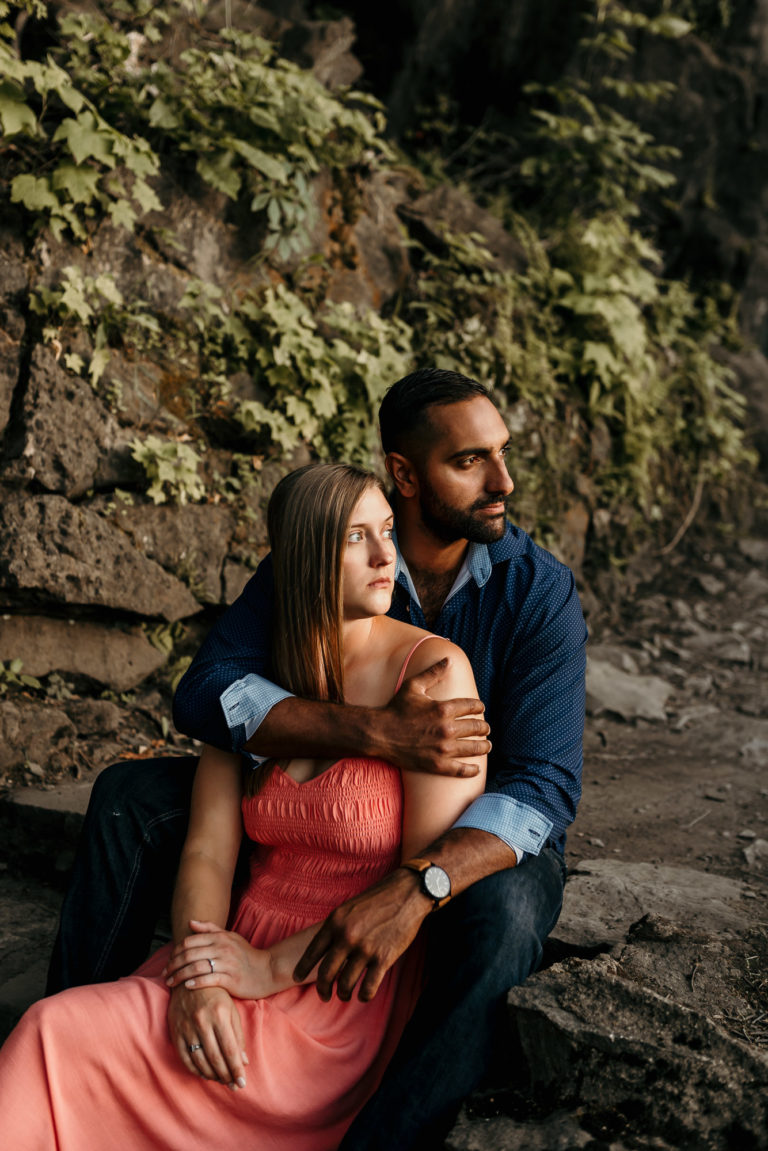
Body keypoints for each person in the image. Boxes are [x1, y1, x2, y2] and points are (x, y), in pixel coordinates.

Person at [47, 368, 587, 1149]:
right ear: (405, 473)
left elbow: (542, 787)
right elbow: (206, 694)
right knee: (131, 794)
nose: (503, 480)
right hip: (322, 799)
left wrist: (419, 882)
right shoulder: (324, 552)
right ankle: (103, 1031)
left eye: (501, 453)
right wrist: (375, 733)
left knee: (503, 916)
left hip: (475, 830)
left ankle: (389, 1132)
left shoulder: (536, 593)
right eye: (470, 461)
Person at [0, 462, 486, 1150]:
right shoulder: (255, 680)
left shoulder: (435, 673)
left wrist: (269, 970)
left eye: (387, 531)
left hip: (338, 984)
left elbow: (418, 894)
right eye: (356, 538)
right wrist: (202, 974)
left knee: (55, 1033)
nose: (386, 557)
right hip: (229, 948)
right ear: (303, 556)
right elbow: (206, 848)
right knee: (59, 1028)